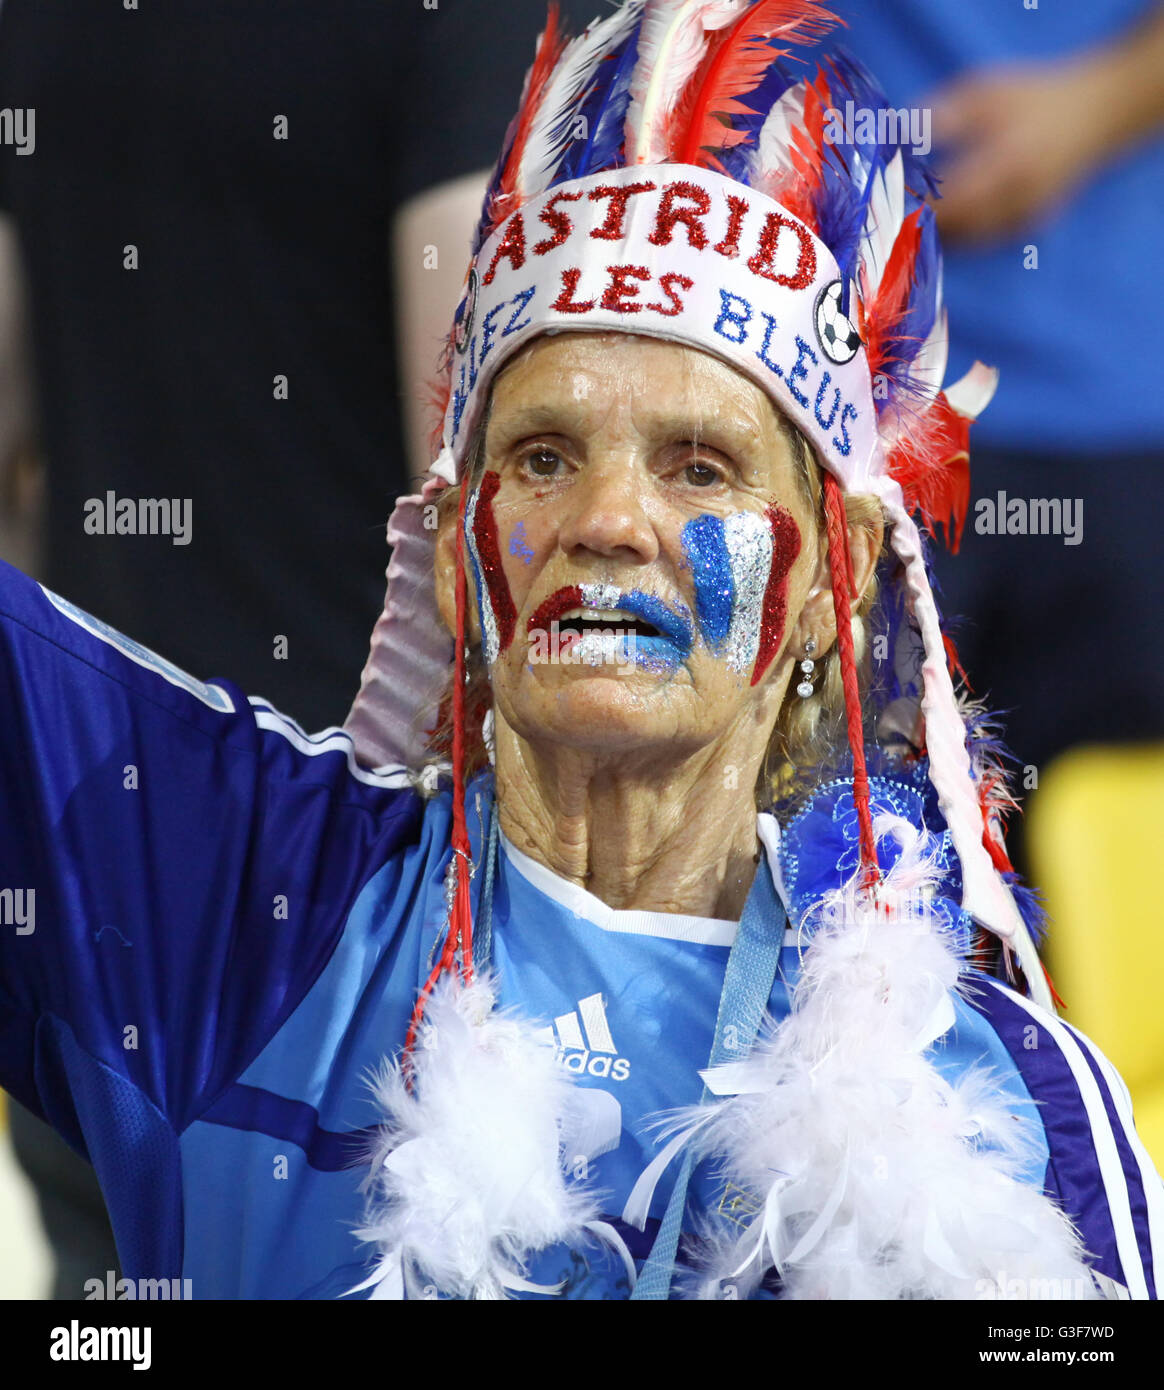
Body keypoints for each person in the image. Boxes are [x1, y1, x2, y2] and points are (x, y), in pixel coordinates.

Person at [0, 0, 1159, 1300]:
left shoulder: (998, 1109)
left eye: (700, 467)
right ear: (453, 548)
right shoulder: (234, 897)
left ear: (830, 587)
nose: (608, 520)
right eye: (544, 456)